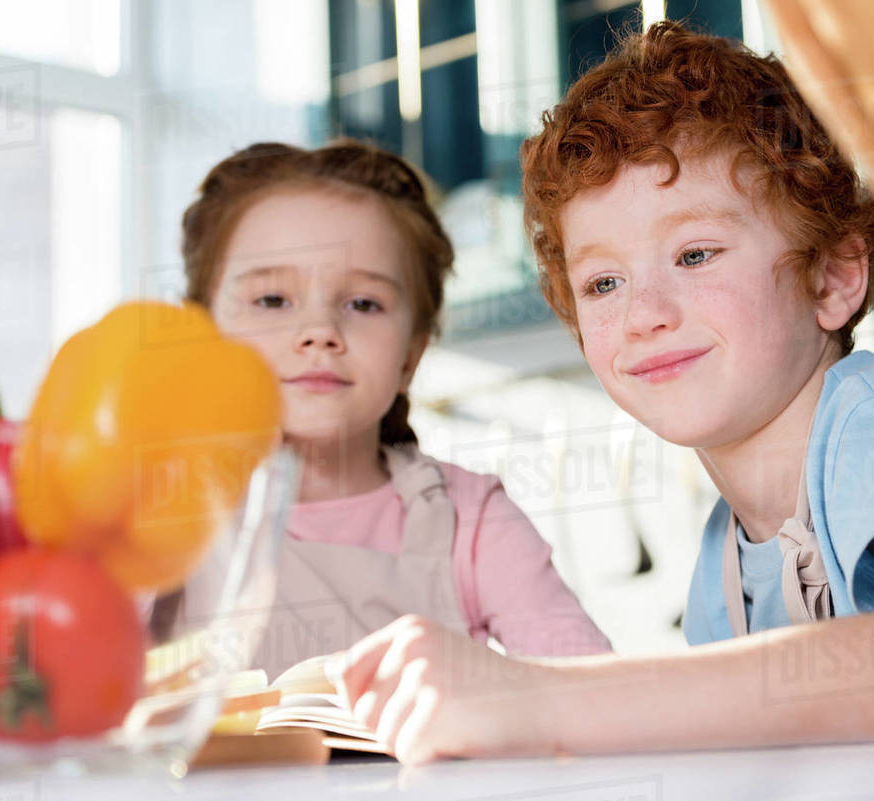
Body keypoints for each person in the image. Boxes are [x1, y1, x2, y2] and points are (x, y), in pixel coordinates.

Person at [331, 22, 874, 763]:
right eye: (604, 282)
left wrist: (539, 698)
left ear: (834, 278)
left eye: (695, 253)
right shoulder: (724, 555)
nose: (644, 313)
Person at [162, 139, 610, 676]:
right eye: (272, 300)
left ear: (411, 356)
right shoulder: (147, 506)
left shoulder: (467, 516)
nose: (320, 332)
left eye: (363, 304)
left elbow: (589, 691)